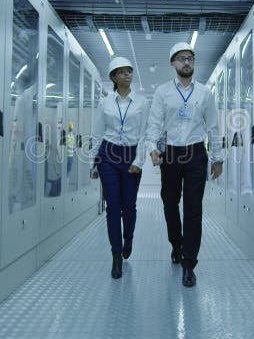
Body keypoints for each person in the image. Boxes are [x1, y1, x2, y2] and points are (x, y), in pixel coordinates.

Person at [146, 42, 223, 287]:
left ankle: (189, 263)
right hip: (170, 154)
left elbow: (213, 127)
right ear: (173, 63)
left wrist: (218, 158)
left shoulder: (204, 93)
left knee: (193, 208)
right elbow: (154, 123)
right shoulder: (163, 92)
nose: (186, 62)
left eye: (190, 58)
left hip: (196, 153)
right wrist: (152, 148)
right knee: (170, 203)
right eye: (181, 58)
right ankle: (176, 244)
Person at [89, 56, 148, 279]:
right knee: (113, 206)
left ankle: (128, 237)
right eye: (122, 72)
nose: (127, 74)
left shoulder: (141, 102)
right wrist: (93, 162)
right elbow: (97, 132)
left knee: (129, 205)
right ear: (114, 77)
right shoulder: (105, 103)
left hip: (131, 154)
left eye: (129, 71)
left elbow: (144, 134)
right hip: (108, 154)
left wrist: (139, 161)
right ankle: (116, 255)